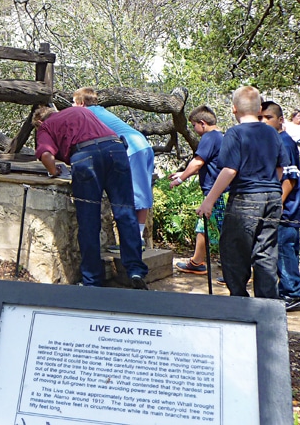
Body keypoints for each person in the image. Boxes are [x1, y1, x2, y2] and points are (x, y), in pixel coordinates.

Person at [33, 104, 148, 289]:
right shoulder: (81, 110)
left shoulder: (45, 126)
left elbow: (46, 155)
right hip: (116, 150)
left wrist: (54, 171)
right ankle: (135, 270)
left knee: (89, 221)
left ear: (39, 121)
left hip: (85, 156)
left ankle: (93, 280)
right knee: (125, 213)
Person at [197, 86, 289, 299]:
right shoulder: (272, 132)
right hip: (272, 196)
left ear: (234, 109)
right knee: (265, 253)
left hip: (245, 197)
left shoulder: (234, 133)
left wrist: (209, 201)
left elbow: (229, 170)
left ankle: (239, 301)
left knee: (234, 253)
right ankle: (266, 306)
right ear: (259, 109)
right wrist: (270, 187)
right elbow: (280, 167)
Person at [72, 87, 155, 246]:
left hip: (131, 149)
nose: (71, 107)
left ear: (81, 103)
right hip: (143, 146)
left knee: (134, 194)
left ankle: (136, 239)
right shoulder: (100, 111)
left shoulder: (86, 114)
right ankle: (138, 236)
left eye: (73, 103)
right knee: (142, 191)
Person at [260, 101, 300, 311]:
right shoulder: (277, 141)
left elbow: (289, 178)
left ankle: (293, 291)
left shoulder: (284, 142)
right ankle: (289, 289)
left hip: (289, 207)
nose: (263, 121)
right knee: (287, 247)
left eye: (268, 118)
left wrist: (276, 205)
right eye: (260, 118)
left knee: (284, 248)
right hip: (289, 206)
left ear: (280, 120)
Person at [170, 105, 225, 275]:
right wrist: (183, 172)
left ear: (202, 123)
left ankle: (197, 262)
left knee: (204, 225)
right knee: (214, 227)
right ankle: (204, 260)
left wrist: (180, 179)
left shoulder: (209, 137)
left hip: (214, 192)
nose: (193, 129)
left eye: (193, 125)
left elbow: (198, 162)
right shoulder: (220, 136)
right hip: (219, 190)